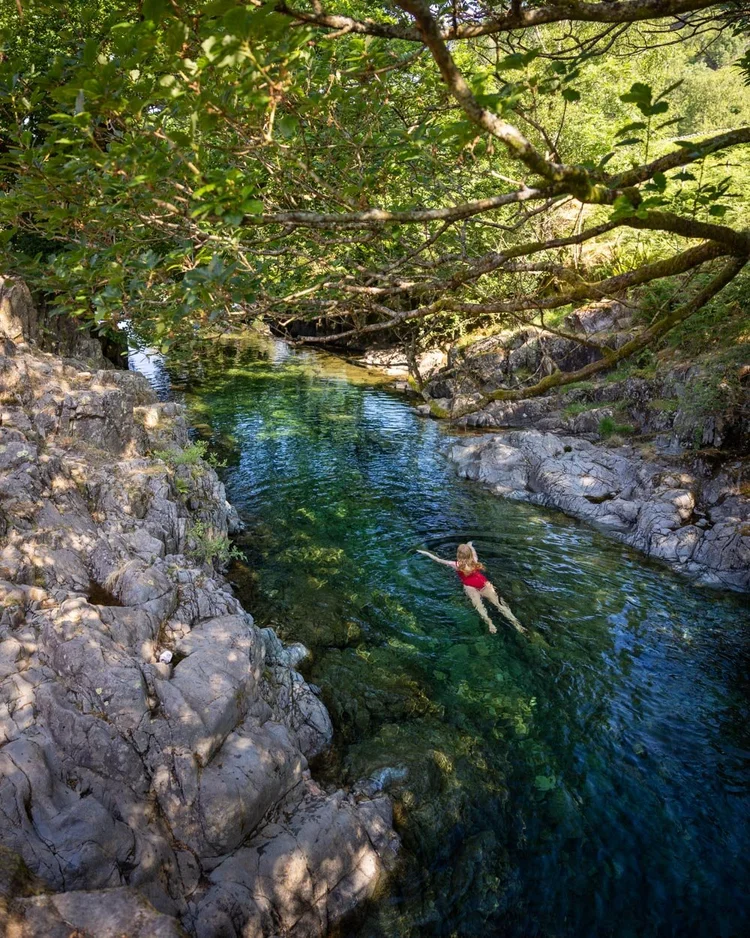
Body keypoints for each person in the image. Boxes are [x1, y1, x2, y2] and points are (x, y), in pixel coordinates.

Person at [417, 541, 526, 635]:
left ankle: (490, 623)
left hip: (471, 587)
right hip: (484, 584)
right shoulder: (475, 560)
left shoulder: (455, 564)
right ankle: (517, 624)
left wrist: (425, 553)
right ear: (469, 554)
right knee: (499, 604)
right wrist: (470, 544)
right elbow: (472, 550)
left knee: (479, 607)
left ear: (458, 555)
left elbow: (438, 560)